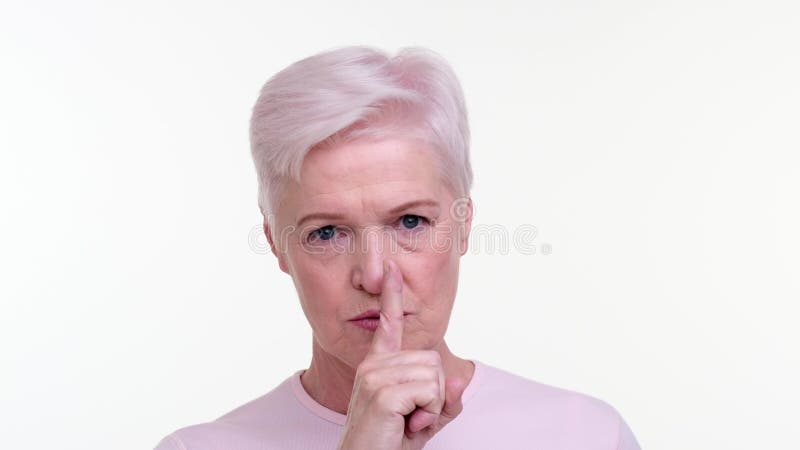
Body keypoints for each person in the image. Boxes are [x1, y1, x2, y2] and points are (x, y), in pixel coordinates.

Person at [155, 45, 641, 450]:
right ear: (277, 246)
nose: (373, 275)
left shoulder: (585, 435)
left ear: (463, 226)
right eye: (326, 233)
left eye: (410, 221)